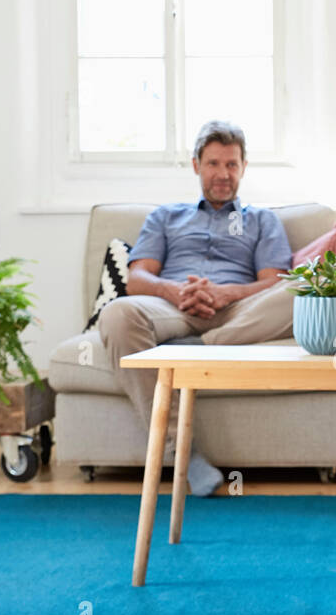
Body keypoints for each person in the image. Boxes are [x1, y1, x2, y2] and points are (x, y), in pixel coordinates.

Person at [98, 120, 296, 495]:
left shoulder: (262, 220)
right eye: (214, 163)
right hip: (174, 308)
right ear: (196, 165)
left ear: (244, 167)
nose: (223, 174)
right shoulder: (166, 217)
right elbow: (138, 279)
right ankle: (183, 455)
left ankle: (199, 350)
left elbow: (273, 282)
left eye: (232, 165)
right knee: (117, 313)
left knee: (302, 291)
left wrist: (227, 294)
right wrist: (176, 293)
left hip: (239, 311)